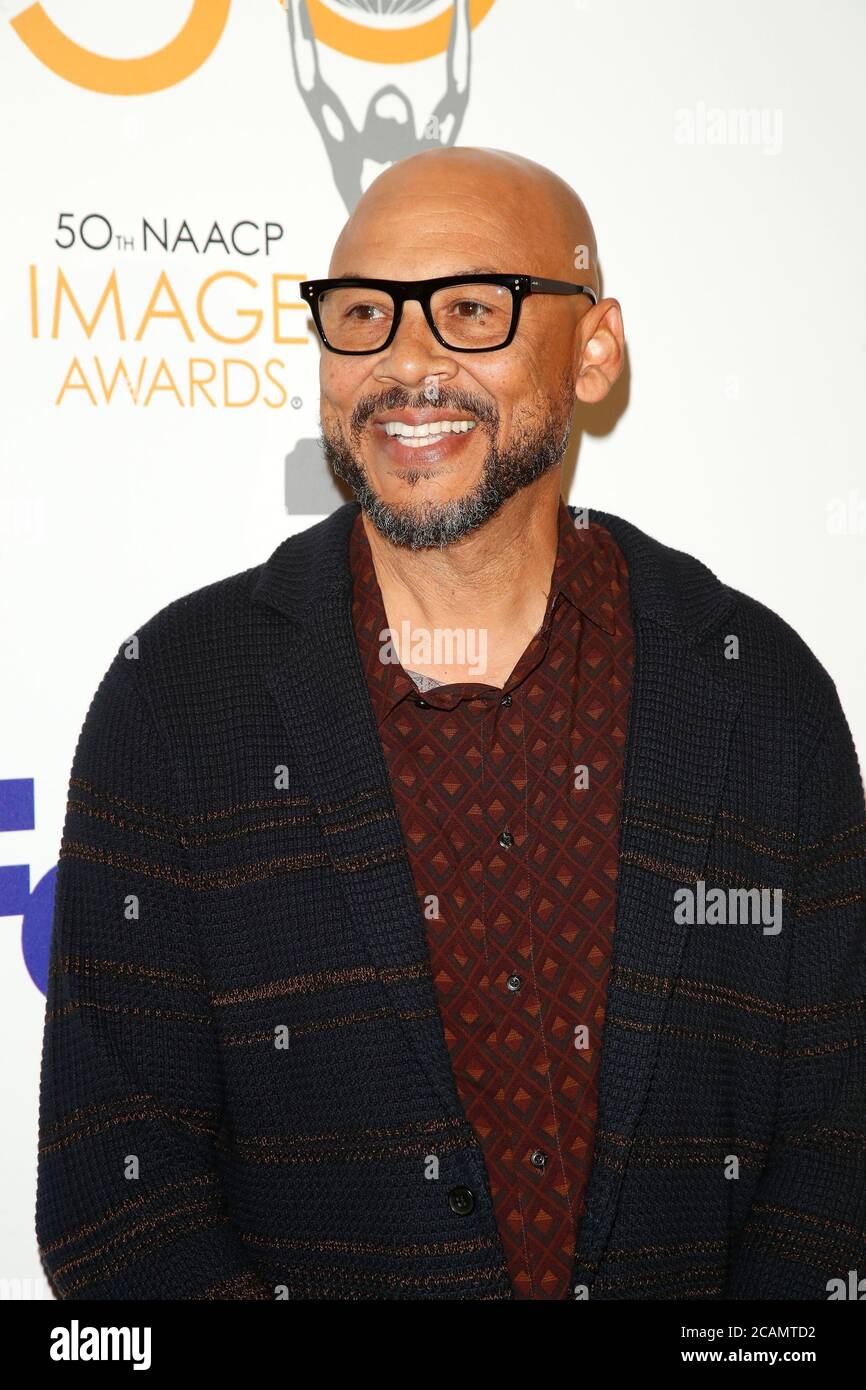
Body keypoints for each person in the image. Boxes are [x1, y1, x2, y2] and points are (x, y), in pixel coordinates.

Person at [35, 147, 865, 1300]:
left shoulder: (758, 692)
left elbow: (831, 1158)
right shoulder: (177, 697)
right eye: (362, 316)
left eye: (470, 308)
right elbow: (116, 1197)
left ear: (592, 349)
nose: (405, 364)